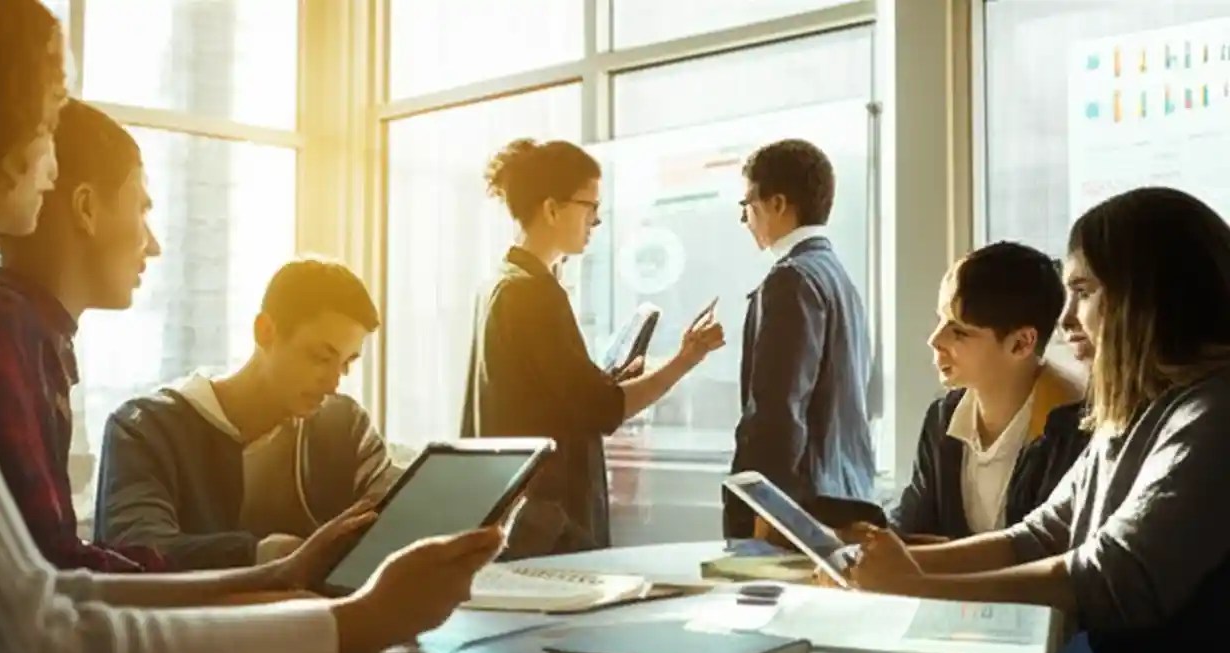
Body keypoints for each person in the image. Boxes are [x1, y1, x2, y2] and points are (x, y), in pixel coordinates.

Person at [0, 2, 499, 653]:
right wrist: (356, 623)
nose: (54, 164)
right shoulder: (4, 342)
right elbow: (39, 651)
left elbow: (46, 589)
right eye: (52, 116)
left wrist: (276, 574)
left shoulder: (5, 332)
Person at [846, 186, 1230, 653]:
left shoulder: (1214, 414)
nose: (1067, 318)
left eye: (1085, 292)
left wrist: (917, 585)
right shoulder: (1140, 411)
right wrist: (898, 566)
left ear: (1150, 295)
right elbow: (1041, 536)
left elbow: (1104, 579)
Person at [463, 138, 725, 558]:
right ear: (551, 209)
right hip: (548, 525)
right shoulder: (534, 293)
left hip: (515, 514)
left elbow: (549, 396)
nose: (596, 221)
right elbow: (602, 410)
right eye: (589, 207)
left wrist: (611, 380)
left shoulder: (499, 283)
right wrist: (685, 359)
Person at [0, 99, 169, 572]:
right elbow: (50, 569)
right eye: (141, 208)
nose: (153, 245)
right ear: (87, 209)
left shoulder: (29, 332)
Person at [96, 257, 404, 570]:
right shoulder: (145, 428)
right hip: (198, 619)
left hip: (318, 618)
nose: (334, 383)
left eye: (346, 363)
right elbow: (137, 551)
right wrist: (263, 555)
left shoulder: (345, 425)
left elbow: (400, 514)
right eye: (320, 357)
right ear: (265, 331)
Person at [887, 241, 1088, 541]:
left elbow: (1053, 555)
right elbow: (912, 526)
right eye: (941, 319)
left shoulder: (1074, 432)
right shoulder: (943, 419)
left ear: (1022, 343)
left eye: (959, 331)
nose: (935, 339)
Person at [727, 139, 876, 540]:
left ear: (777, 203)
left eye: (747, 205)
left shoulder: (790, 279)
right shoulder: (837, 277)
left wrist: (761, 508)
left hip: (797, 504)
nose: (744, 220)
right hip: (843, 492)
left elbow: (778, 411)